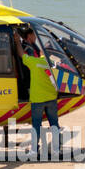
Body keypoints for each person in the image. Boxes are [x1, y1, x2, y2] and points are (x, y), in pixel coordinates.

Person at [19, 28, 61, 160]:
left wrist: (16, 41)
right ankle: (56, 149)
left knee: (36, 125)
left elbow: (22, 55)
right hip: (51, 98)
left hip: (38, 98)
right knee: (54, 124)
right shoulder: (54, 64)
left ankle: (33, 150)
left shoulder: (35, 62)